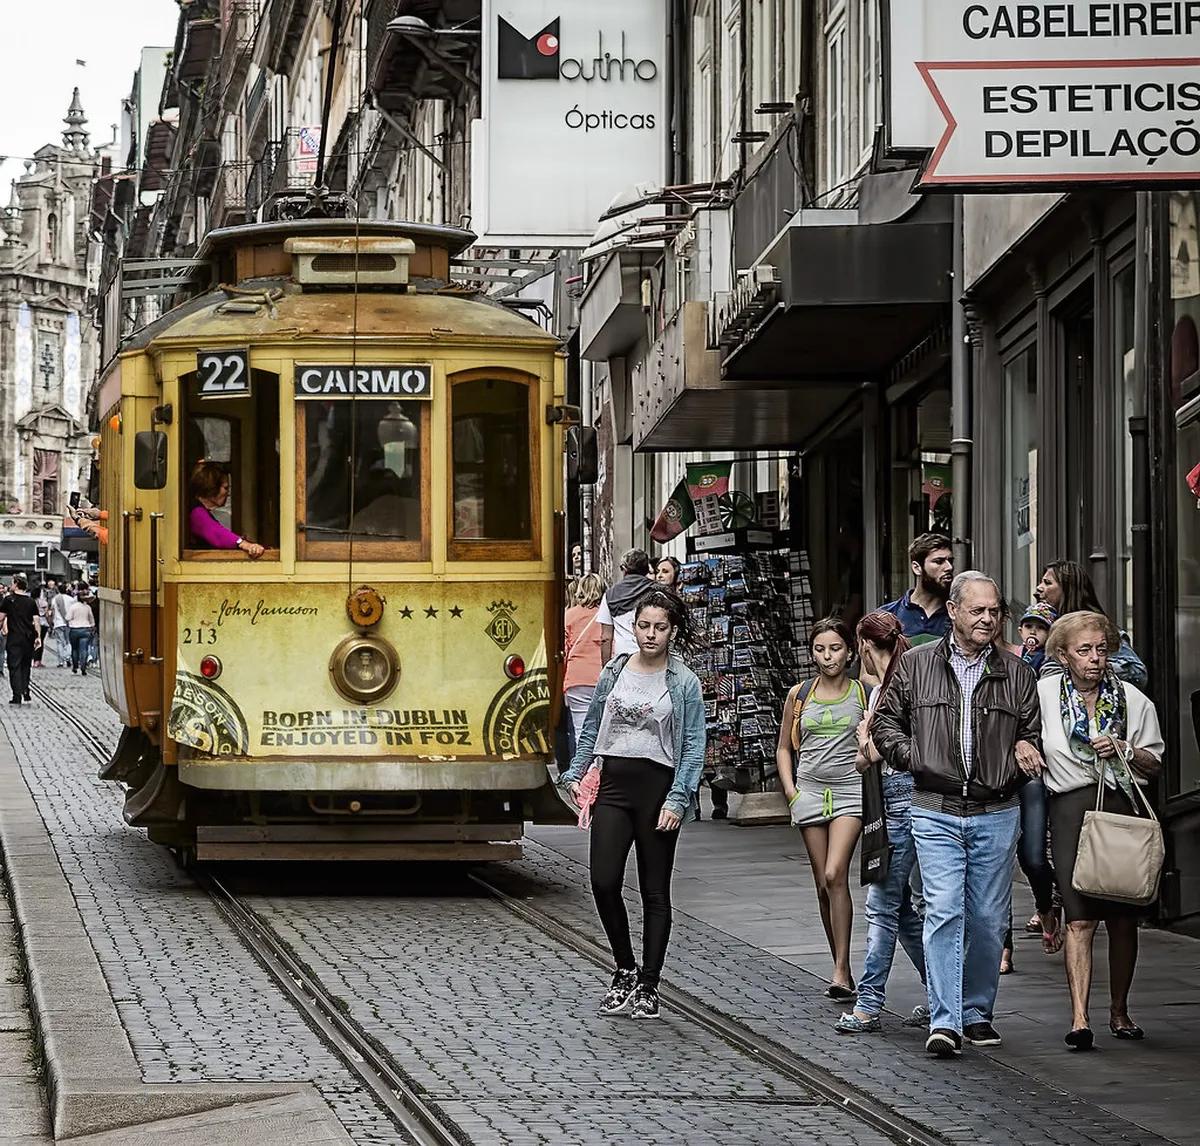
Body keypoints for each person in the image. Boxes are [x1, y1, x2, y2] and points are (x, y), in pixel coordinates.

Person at [872, 571, 1043, 1058]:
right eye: (977, 610)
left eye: (994, 611)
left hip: (997, 809)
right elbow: (885, 723)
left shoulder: (1018, 673)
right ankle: (945, 1020)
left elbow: (1031, 730)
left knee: (988, 920)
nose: (988, 618)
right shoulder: (917, 662)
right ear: (953, 611)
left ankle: (976, 1011)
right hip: (934, 807)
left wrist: (1025, 745)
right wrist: (916, 757)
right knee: (943, 910)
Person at [560, 587, 706, 1020]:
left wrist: (678, 799)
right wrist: (575, 771)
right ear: (634, 628)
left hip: (658, 789)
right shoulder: (614, 671)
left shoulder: (683, 681)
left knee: (654, 891)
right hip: (614, 785)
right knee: (603, 880)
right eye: (644, 626)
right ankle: (624, 968)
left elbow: (693, 746)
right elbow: (593, 726)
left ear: (672, 632)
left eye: (660, 627)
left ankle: (649, 983)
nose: (651, 634)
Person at [1038, 611, 1164, 1051]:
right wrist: (1021, 745)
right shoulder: (1043, 695)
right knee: (1080, 915)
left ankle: (1119, 1010)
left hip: (1122, 807)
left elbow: (1155, 763)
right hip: (1070, 810)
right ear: (1063, 655)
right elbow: (1023, 732)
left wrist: (1125, 748)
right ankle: (1079, 1018)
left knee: (1123, 914)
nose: (1095, 658)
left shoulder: (1133, 699)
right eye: (1084, 650)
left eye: (1101, 649)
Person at [836, 611, 930, 1034]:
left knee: (881, 903)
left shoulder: (898, 688)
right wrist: (867, 747)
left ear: (866, 647)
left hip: (904, 800)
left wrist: (867, 743)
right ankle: (944, 996)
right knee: (902, 908)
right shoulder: (883, 690)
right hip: (891, 800)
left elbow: (879, 752)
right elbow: (864, 759)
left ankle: (868, 1004)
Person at [776, 618, 867, 1000]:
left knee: (834, 873)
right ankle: (839, 966)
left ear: (850, 652)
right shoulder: (799, 694)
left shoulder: (864, 692)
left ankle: (842, 969)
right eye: (820, 649)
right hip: (810, 793)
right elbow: (784, 747)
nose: (828, 657)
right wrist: (792, 792)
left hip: (850, 793)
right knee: (822, 884)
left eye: (835, 648)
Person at [1034, 561, 1147, 688]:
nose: (1039, 588)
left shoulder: (1098, 628)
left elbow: (1136, 672)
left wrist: (1088, 669)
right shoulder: (1040, 627)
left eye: (1047, 583)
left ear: (1068, 589)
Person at [880, 533, 954, 647]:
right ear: (917, 568)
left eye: (950, 561)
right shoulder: (887, 616)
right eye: (939, 561)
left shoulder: (957, 614)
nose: (949, 567)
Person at [563, 573, 607, 761]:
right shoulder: (607, 616)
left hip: (576, 678)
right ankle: (598, 770)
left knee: (581, 731)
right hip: (602, 677)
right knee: (602, 731)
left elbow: (563, 650)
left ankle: (582, 771)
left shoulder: (569, 615)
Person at [189, 462, 265, 557]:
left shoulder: (199, 510)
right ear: (211, 487)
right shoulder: (197, 513)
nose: (228, 493)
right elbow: (216, 533)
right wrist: (244, 544)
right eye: (225, 488)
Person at [597, 549, 655, 662]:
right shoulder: (656, 590)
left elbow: (606, 638)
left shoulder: (610, 595)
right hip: (653, 658)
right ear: (646, 569)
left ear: (624, 569)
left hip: (623, 659)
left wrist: (606, 667)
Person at [0, 575, 42, 704]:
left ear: (16, 584)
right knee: (25, 665)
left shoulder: (8, 600)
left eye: (12, 583)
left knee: (14, 666)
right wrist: (38, 636)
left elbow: (1, 618)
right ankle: (25, 688)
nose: (10, 585)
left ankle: (17, 694)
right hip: (28, 638)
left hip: (14, 638)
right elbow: (36, 621)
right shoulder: (31, 601)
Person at [66, 589, 96, 676]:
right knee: (84, 649)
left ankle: (75, 666)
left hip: (74, 629)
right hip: (85, 629)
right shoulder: (87, 607)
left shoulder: (73, 607)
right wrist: (92, 626)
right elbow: (91, 619)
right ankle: (83, 667)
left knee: (75, 649)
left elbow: (68, 617)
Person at [50, 582, 73, 668]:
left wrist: (51, 622)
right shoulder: (71, 599)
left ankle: (61, 661)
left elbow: (52, 611)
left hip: (58, 623)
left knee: (59, 642)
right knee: (68, 641)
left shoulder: (55, 599)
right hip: (68, 622)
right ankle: (67, 657)